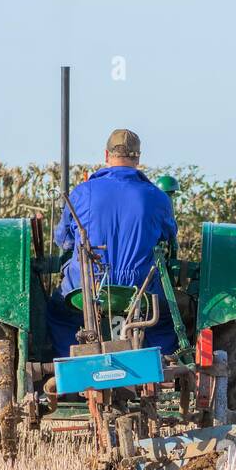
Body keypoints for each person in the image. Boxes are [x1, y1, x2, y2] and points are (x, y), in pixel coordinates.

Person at [48, 128, 179, 356]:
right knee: (165, 321)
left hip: (87, 286)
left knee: (60, 315)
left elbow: (64, 240)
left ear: (106, 155)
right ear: (138, 158)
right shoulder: (156, 197)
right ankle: (161, 366)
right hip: (140, 289)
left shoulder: (81, 192)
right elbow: (169, 234)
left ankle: (65, 367)